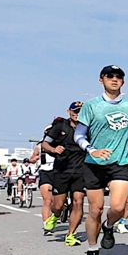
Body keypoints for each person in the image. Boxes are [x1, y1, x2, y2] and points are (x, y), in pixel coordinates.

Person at [75, 66, 128, 255]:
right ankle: (93, 249)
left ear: (123, 81)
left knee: (119, 207)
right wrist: (91, 150)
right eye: (109, 76)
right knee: (96, 209)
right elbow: (78, 134)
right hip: (95, 164)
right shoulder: (91, 106)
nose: (114, 79)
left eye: (119, 77)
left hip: (121, 162)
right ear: (101, 80)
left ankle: (109, 226)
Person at [43, 102, 88, 246]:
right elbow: (45, 144)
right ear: (69, 112)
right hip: (61, 170)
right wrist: (53, 149)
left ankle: (71, 234)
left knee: (78, 202)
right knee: (58, 205)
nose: (77, 114)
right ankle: (55, 216)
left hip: (80, 170)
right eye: (75, 111)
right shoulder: (60, 126)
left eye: (81, 111)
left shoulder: (88, 128)